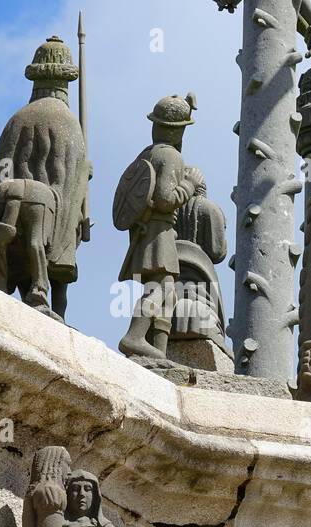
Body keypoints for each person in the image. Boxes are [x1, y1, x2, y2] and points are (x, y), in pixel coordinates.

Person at [0, 36, 90, 321]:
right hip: (48, 211)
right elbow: (68, 190)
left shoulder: (15, 120)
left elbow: (2, 173)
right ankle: (55, 306)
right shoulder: (68, 122)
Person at [115, 93, 206, 361]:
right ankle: (134, 336)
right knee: (161, 288)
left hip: (148, 230)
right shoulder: (171, 157)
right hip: (158, 230)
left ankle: (158, 351)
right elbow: (165, 199)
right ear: (178, 131)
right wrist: (189, 184)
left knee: (168, 292)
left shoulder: (148, 153)